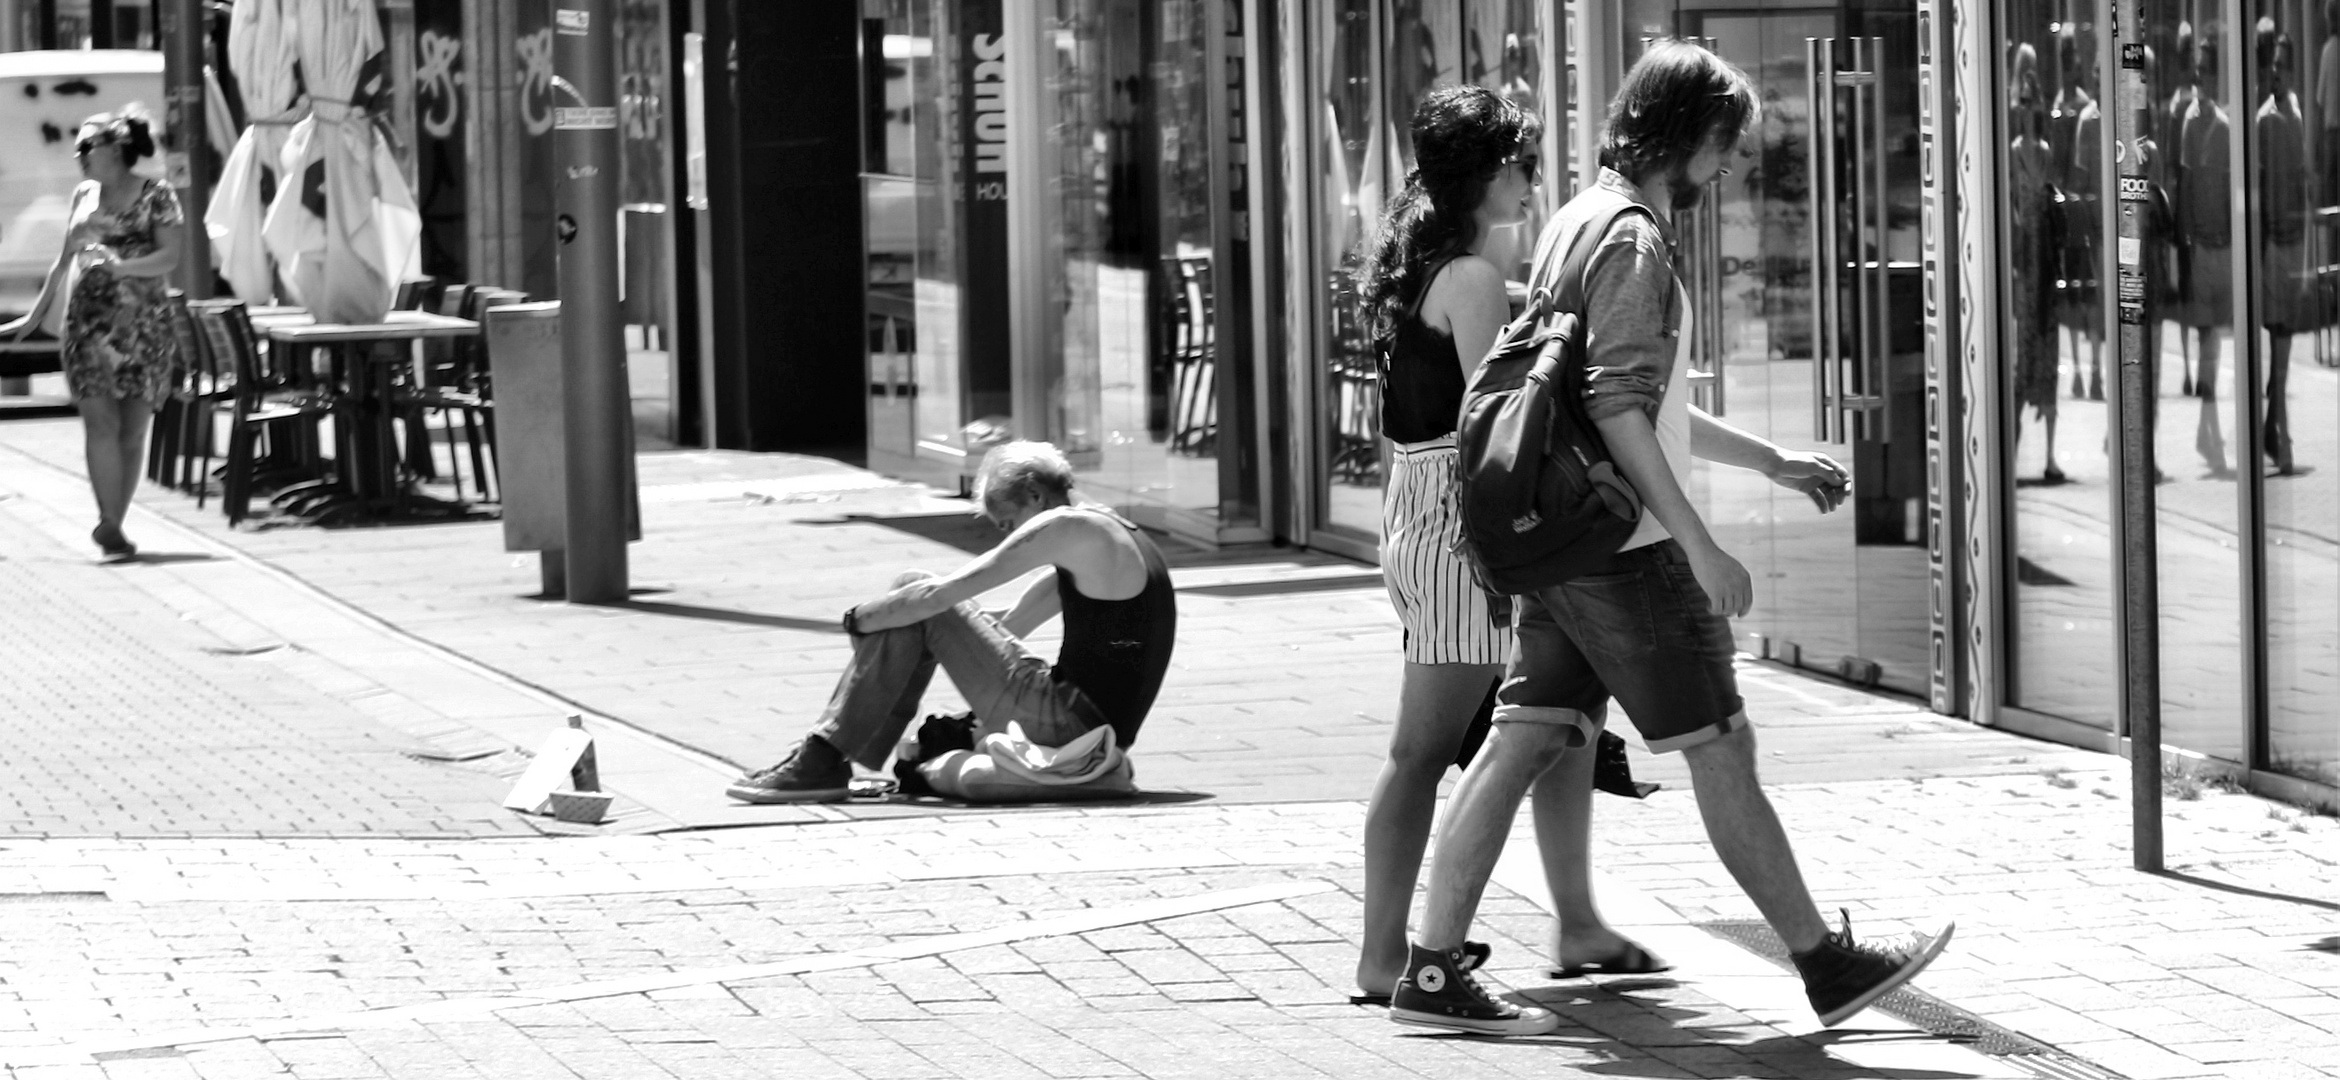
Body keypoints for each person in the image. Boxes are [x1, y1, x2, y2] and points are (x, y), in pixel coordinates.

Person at [1389, 40, 1951, 1037]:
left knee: (1521, 737)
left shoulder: (1575, 220)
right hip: (1627, 549)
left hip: (1562, 548)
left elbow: (1629, 400)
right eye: (1721, 151)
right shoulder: (1636, 241)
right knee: (1721, 746)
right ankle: (1826, 964)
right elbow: (1619, 409)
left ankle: (1430, 969)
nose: (1726, 172)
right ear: (1684, 138)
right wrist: (1699, 543)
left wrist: (1770, 463)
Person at [1349, 84, 1666, 1008]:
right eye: (1525, 164)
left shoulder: (1430, 265)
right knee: (1423, 748)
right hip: (1462, 525)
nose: (1534, 182)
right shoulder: (1472, 278)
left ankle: (1578, 921)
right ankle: (1380, 957)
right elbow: (1506, 422)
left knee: (1558, 722)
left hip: (1421, 508)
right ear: (1488, 170)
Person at [726, 441, 1177, 803]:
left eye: (1008, 523)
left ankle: (824, 755)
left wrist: (860, 620)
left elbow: (944, 595)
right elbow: (1010, 625)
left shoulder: (1066, 527)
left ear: (1035, 495)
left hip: (1065, 722)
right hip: (1091, 723)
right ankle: (829, 754)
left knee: (915, 587)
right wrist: (907, 632)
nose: (1010, 536)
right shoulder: (1114, 533)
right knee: (913, 609)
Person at [1, 110, 183, 559]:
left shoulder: (157, 194)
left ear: (118, 149)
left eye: (87, 147)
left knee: (134, 429)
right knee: (99, 423)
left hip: (143, 326)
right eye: (77, 148)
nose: (78, 156)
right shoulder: (83, 194)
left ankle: (113, 523)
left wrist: (121, 267)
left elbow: (169, 258)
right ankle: (109, 522)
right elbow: (63, 261)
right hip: (87, 324)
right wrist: (34, 317)